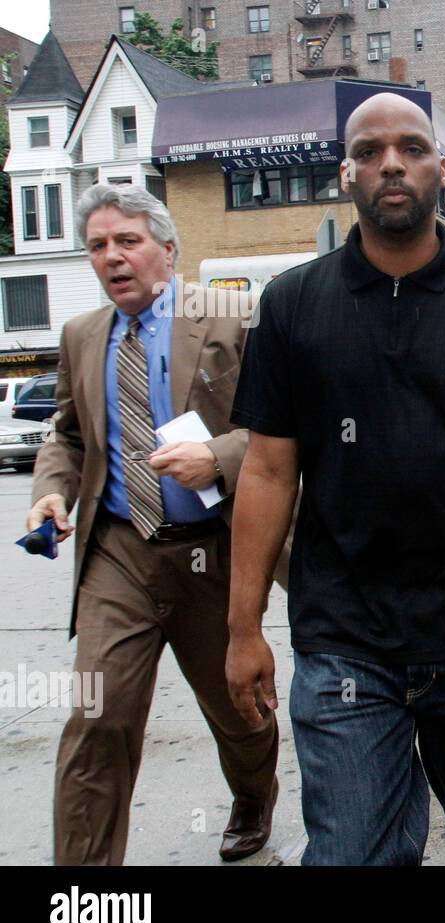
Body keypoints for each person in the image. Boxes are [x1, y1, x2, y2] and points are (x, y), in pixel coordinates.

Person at [224, 91, 445, 866]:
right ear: (345, 173)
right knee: (352, 853)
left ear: (440, 170)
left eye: (412, 148)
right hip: (345, 643)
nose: (392, 162)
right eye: (370, 150)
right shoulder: (291, 305)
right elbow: (267, 470)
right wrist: (243, 627)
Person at [26, 182, 283, 865]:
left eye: (128, 242)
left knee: (242, 715)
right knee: (96, 716)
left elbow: (286, 425)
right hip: (120, 552)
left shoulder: (235, 317)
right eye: (98, 247)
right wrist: (52, 493)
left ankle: (254, 796)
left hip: (215, 552)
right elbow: (68, 434)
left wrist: (219, 457)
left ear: (168, 251)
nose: (113, 258)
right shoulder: (82, 336)